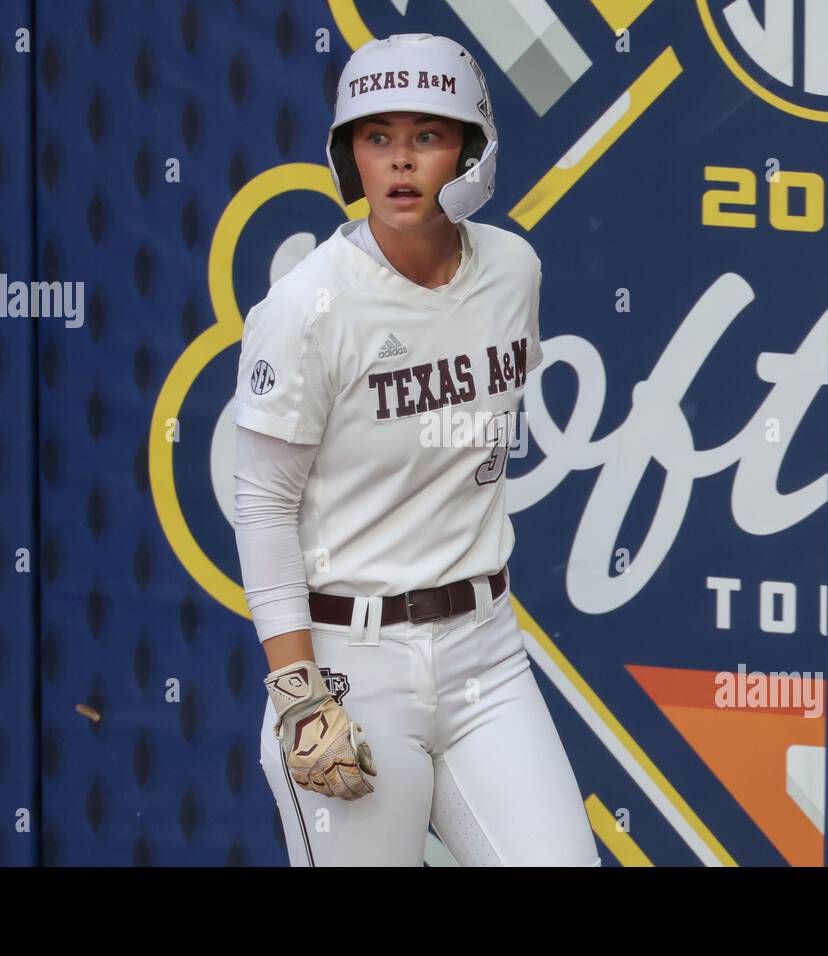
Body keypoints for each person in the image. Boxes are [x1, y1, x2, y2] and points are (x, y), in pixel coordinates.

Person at [232, 33, 598, 867]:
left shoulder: (513, 270)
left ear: (472, 150)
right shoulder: (306, 307)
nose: (400, 162)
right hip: (351, 662)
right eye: (377, 137)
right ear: (347, 154)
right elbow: (262, 505)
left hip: (487, 650)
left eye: (427, 136)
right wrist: (298, 695)